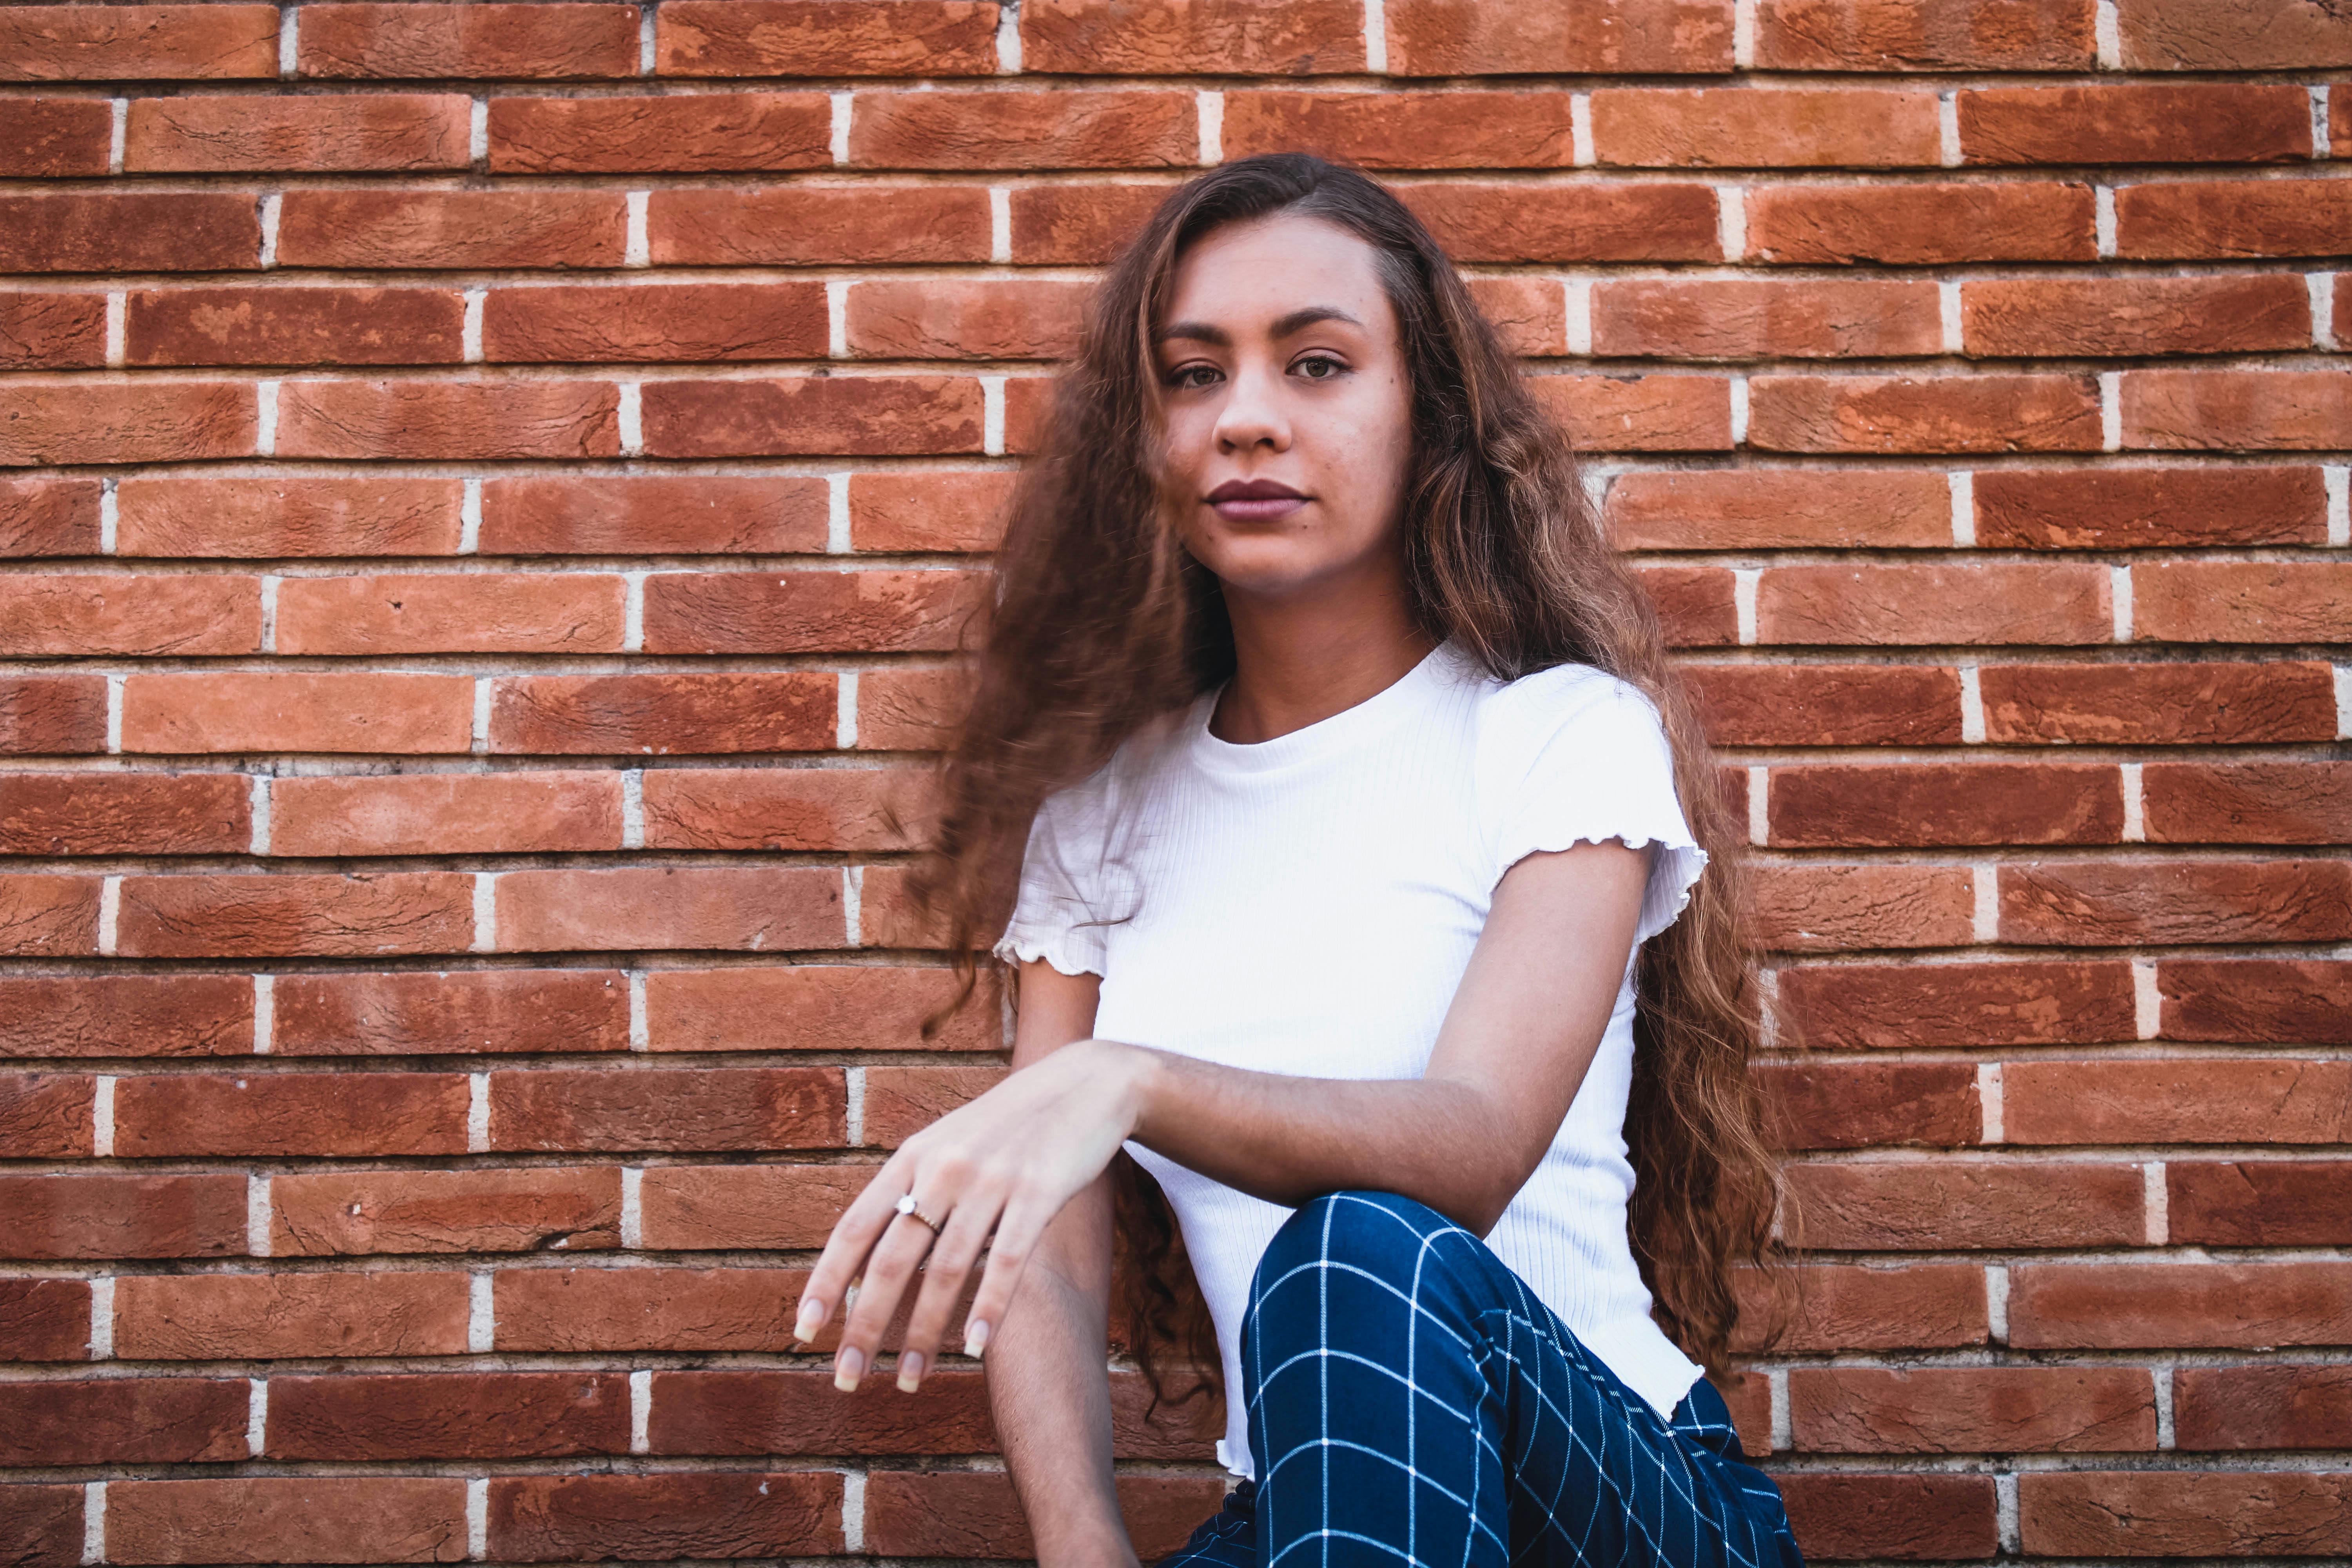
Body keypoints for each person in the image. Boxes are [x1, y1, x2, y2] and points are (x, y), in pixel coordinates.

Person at [789, 151, 1805, 1568]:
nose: (1246, 420)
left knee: (1349, 1258)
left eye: (1317, 366)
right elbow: (1052, 1246)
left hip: (1614, 1505)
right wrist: (1085, 1552)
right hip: (1319, 1515)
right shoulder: (1102, 815)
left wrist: (1122, 1076)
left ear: (1425, 417)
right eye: (1193, 377)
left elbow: (1469, 1147)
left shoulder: (1556, 737)